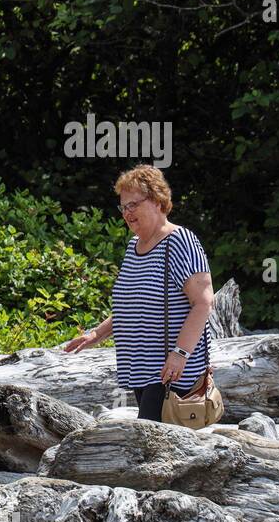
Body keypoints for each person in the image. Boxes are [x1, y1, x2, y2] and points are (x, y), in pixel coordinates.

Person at [64, 165, 215, 421]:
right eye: (123, 207)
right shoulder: (134, 246)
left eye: (133, 204)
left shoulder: (180, 241)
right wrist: (95, 334)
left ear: (158, 201)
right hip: (142, 369)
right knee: (155, 446)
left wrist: (180, 355)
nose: (127, 213)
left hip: (172, 372)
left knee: (152, 446)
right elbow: (133, 306)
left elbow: (203, 303)